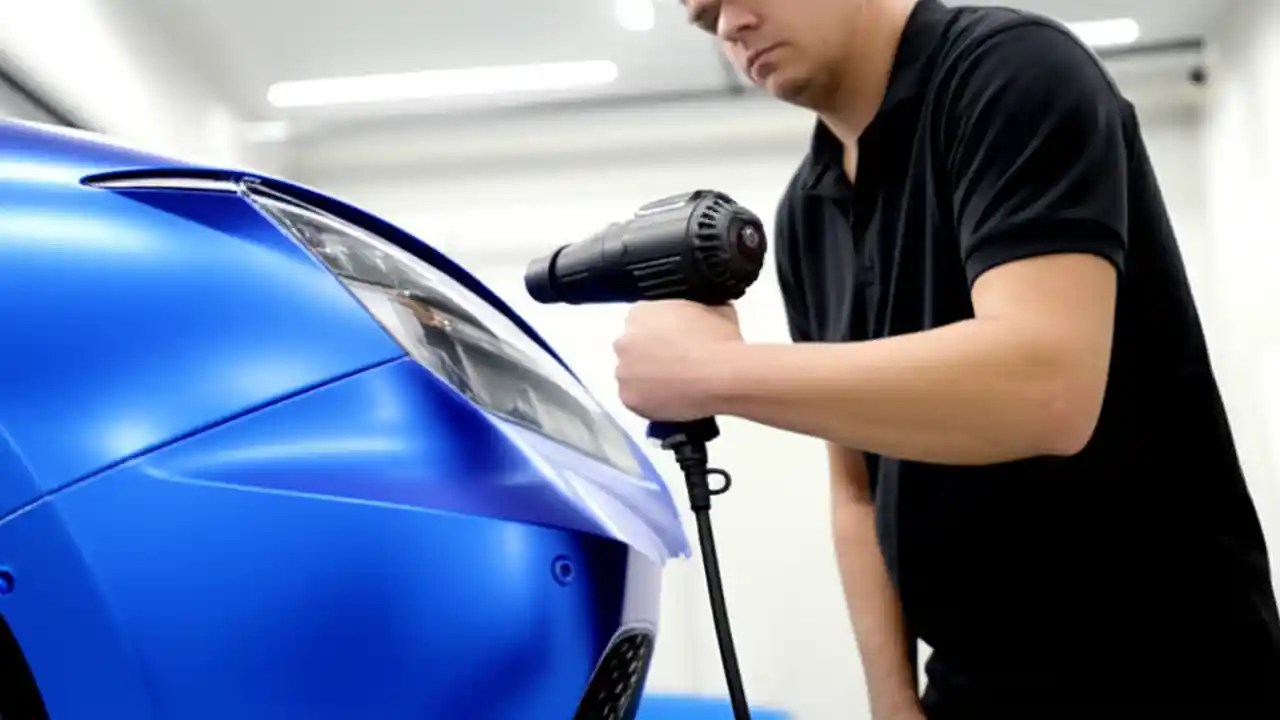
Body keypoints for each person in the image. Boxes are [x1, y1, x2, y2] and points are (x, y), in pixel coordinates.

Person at [612, 0, 1280, 716]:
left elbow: (1045, 389)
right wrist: (894, 700)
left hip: (1170, 674)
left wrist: (714, 372)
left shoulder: (1013, 72)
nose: (729, 25)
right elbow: (857, 489)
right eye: (705, 14)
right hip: (970, 685)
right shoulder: (806, 213)